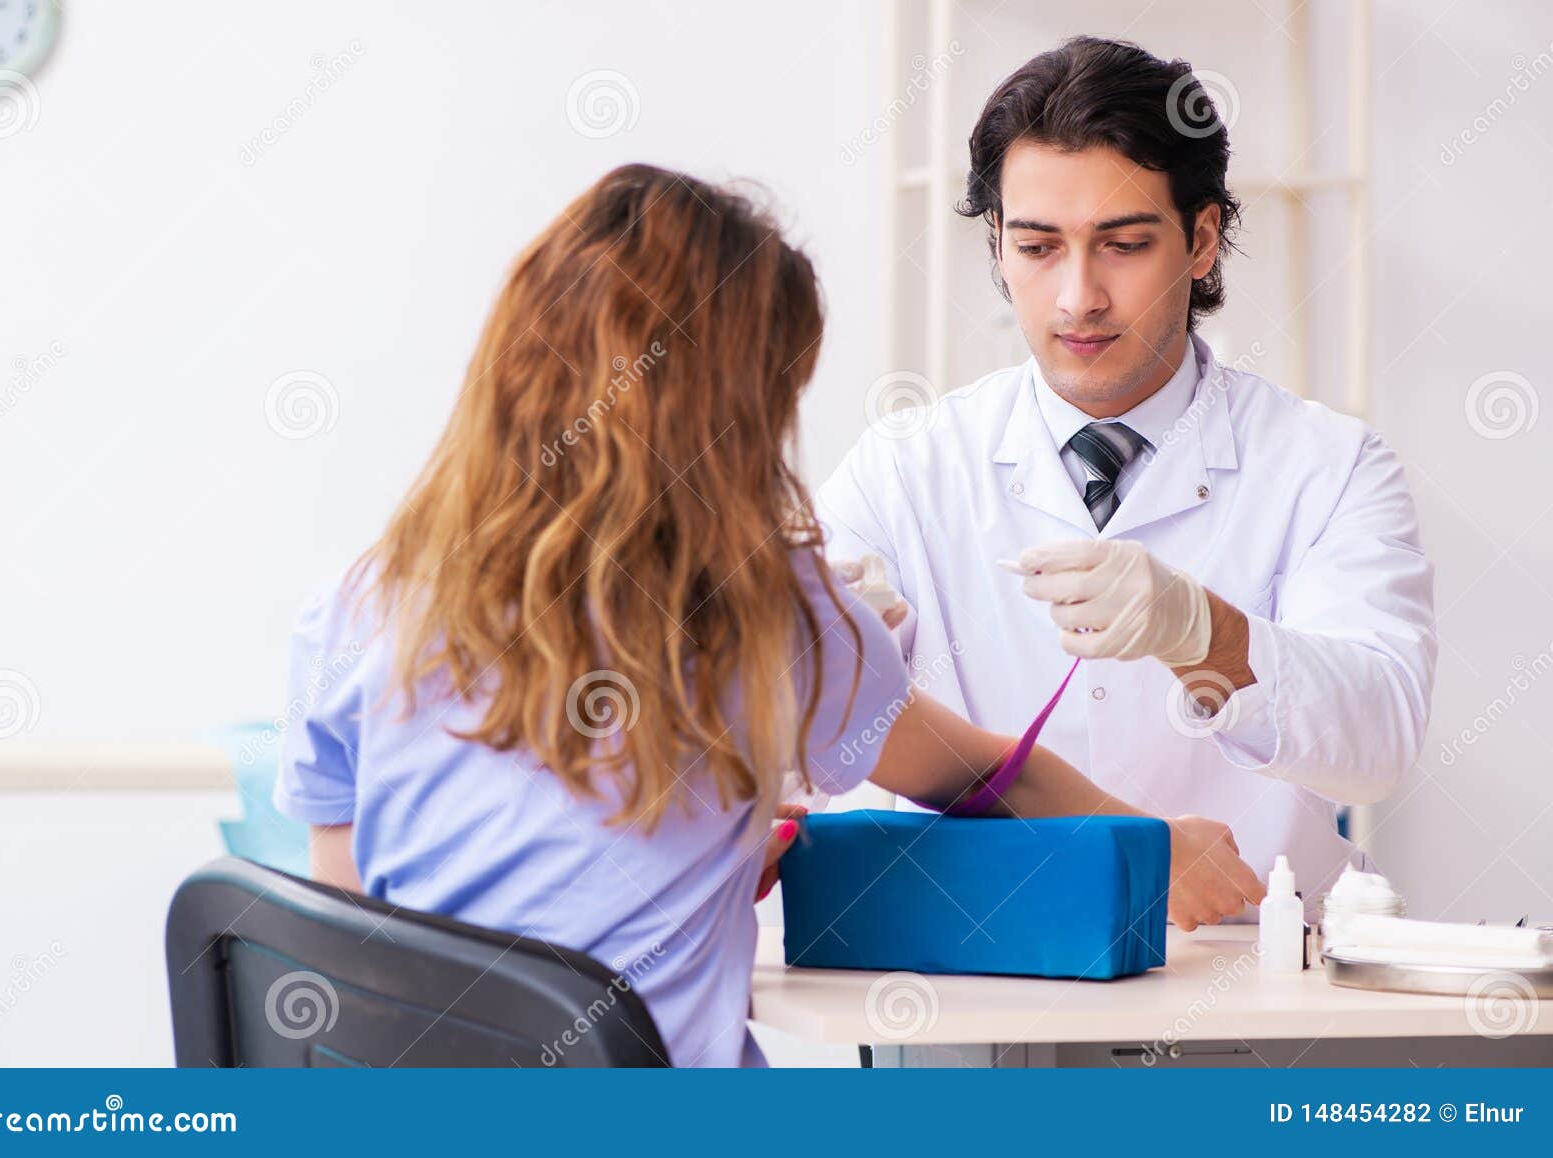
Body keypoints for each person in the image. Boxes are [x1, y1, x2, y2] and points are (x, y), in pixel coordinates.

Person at [273, 163, 1258, 1068]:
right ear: (734, 412)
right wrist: (1157, 843)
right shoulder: (771, 617)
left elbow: (364, 955)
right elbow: (991, 775)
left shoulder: (357, 609)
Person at [816, 36, 1437, 924]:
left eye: (1123, 245)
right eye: (1036, 248)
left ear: (1202, 239)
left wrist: (1207, 633)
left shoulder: (1326, 466)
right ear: (995, 245)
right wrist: (825, 647)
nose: (1078, 298)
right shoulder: (904, 469)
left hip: (1247, 984)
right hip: (975, 965)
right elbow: (782, 735)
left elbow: (1377, 741)